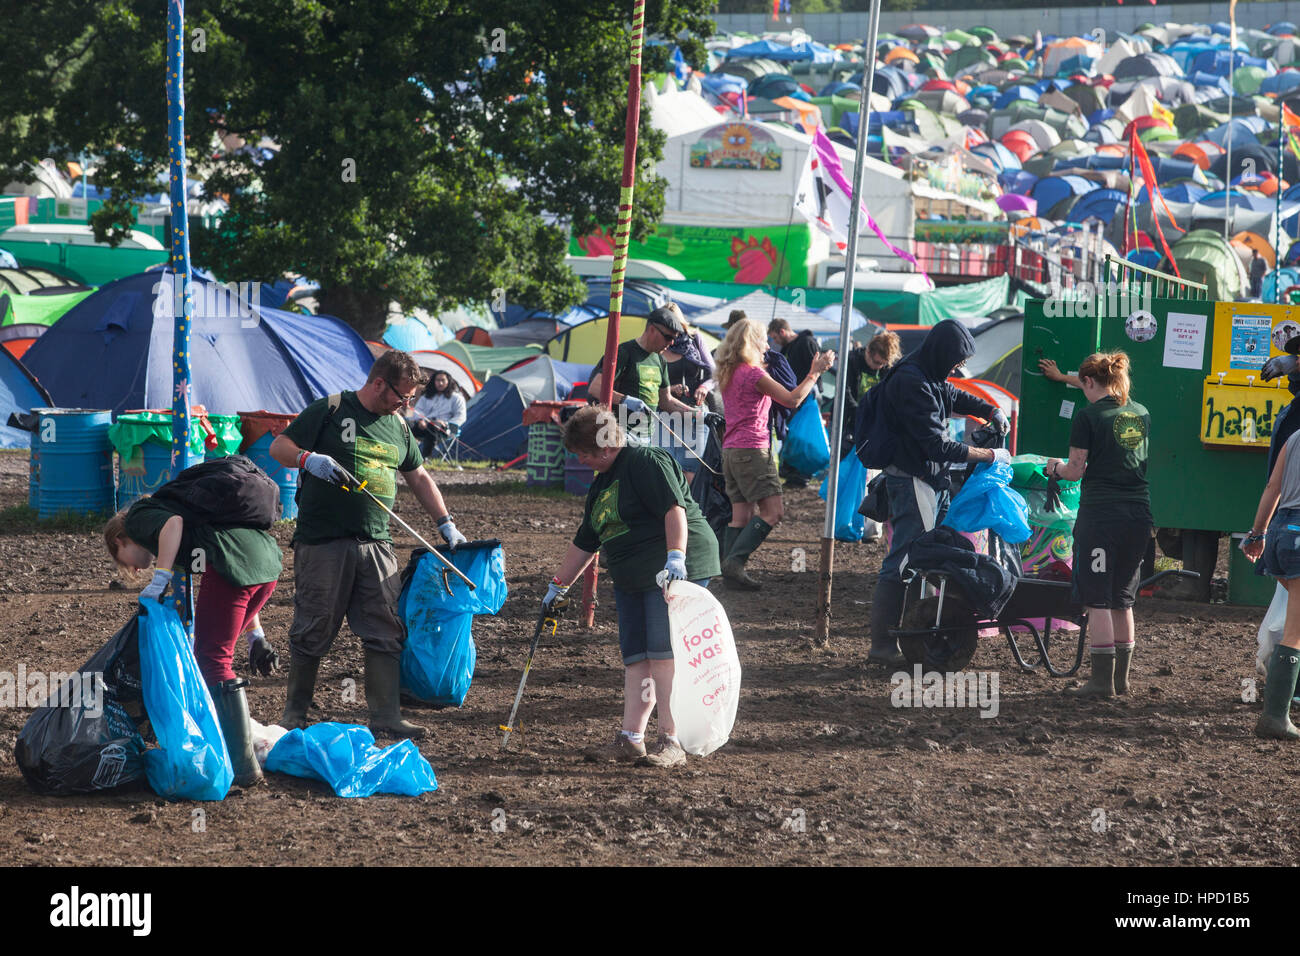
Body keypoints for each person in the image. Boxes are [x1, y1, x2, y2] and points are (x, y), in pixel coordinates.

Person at [268, 349, 469, 740]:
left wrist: (445, 524)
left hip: (377, 542)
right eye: (402, 395)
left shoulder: (398, 426)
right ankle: (294, 713)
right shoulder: (329, 409)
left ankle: (386, 715)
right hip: (324, 540)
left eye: (410, 398)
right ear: (379, 383)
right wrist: (309, 460)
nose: (405, 404)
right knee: (313, 625)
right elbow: (279, 448)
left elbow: (420, 477)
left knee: (385, 628)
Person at [541, 405, 720, 766]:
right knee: (637, 656)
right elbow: (586, 541)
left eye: (585, 455)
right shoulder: (602, 484)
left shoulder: (645, 461)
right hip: (631, 576)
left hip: (671, 565)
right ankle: (631, 737)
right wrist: (558, 586)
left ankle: (671, 740)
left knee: (663, 654)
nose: (582, 461)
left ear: (605, 448)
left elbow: (674, 510)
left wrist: (675, 557)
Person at [103, 494, 281, 786]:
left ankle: (242, 766)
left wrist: (160, 579)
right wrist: (255, 634)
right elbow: (235, 571)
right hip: (265, 564)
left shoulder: (147, 521)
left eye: (121, 559)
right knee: (215, 656)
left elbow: (180, 529)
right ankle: (227, 741)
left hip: (238, 567)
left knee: (211, 661)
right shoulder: (187, 533)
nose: (134, 571)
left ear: (121, 539)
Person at [868, 319, 1010, 666]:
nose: (959, 368)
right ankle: (884, 646)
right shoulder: (911, 380)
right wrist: (990, 455)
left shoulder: (926, 373)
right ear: (943, 353)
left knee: (920, 559)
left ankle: (909, 638)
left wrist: (989, 409)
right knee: (903, 560)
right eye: (957, 361)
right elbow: (937, 445)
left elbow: (951, 394)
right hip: (913, 477)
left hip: (928, 478)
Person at [1043, 351, 1151, 700]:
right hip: (1139, 515)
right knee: (1123, 598)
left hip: (1102, 516)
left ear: (1089, 381)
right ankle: (1121, 681)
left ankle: (1100, 683)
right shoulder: (1140, 412)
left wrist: (1054, 468)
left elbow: (1075, 470)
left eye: (1082, 383)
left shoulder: (1088, 416)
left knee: (1097, 598)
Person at [714, 318, 835, 589]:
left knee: (740, 516)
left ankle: (731, 576)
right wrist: (814, 373)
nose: (768, 346)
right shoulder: (753, 374)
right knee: (773, 512)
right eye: (763, 341)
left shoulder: (728, 372)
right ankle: (734, 562)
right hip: (753, 450)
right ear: (752, 343)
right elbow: (792, 400)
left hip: (731, 451)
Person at [588, 303, 702, 460]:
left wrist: (697, 414)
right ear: (652, 330)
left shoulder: (660, 361)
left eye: (674, 339)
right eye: (668, 337)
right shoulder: (624, 353)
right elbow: (595, 388)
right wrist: (626, 400)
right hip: (621, 437)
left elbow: (666, 401)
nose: (671, 343)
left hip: (648, 439)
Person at [768, 317, 822, 487]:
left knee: (802, 438)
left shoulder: (806, 343)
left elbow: (817, 369)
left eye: (775, 337)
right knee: (792, 437)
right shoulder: (786, 349)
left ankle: (802, 473)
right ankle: (792, 473)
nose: (774, 342)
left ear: (782, 332)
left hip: (805, 401)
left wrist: (813, 395)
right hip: (790, 401)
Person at [410, 370, 467, 461]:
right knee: (406, 426)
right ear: (433, 381)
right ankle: (407, 457)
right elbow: (418, 410)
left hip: (445, 429)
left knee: (433, 426)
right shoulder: (427, 396)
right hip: (424, 426)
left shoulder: (456, 398)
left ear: (448, 381)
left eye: (443, 380)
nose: (440, 383)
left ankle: (425, 458)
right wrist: (421, 420)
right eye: (437, 380)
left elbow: (461, 416)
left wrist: (446, 423)